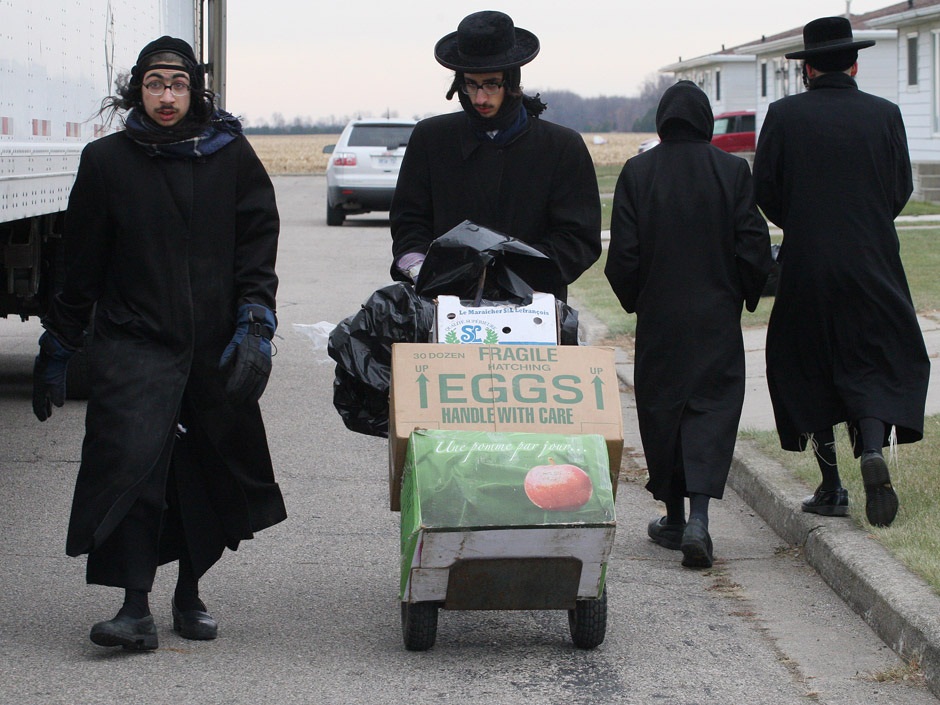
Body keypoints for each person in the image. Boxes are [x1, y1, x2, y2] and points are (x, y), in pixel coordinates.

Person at [31, 36, 285, 650]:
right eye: (153, 84)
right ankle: (134, 606)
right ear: (136, 91)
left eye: (176, 84)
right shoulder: (107, 161)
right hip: (132, 339)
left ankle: (189, 594)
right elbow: (81, 261)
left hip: (213, 343)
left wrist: (256, 321)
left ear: (194, 89)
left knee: (202, 467)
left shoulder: (230, 156)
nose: (166, 97)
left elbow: (257, 244)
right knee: (130, 464)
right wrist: (60, 341)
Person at [753, 16, 930, 528]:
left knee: (808, 364)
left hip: (807, 261)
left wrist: (805, 221)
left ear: (806, 68)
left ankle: (831, 486)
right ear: (855, 63)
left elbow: (765, 188)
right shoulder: (886, 115)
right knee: (874, 356)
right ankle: (872, 448)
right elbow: (899, 186)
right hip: (873, 257)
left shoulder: (783, 116)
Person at [605, 81, 772, 569]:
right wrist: (744, 294)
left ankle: (674, 518)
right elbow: (754, 247)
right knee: (710, 411)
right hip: (716, 318)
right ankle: (698, 519)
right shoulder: (732, 171)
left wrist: (638, 300)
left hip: (661, 319)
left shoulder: (637, 173)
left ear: (662, 121)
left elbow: (624, 257)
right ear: (705, 122)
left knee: (662, 411)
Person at [389, 10, 601, 302]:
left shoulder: (561, 146)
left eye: (491, 84)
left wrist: (509, 273)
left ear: (512, 82)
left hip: (532, 304)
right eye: (471, 84)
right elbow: (409, 222)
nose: (480, 98)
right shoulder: (431, 139)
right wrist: (419, 267)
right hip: (445, 303)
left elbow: (577, 239)